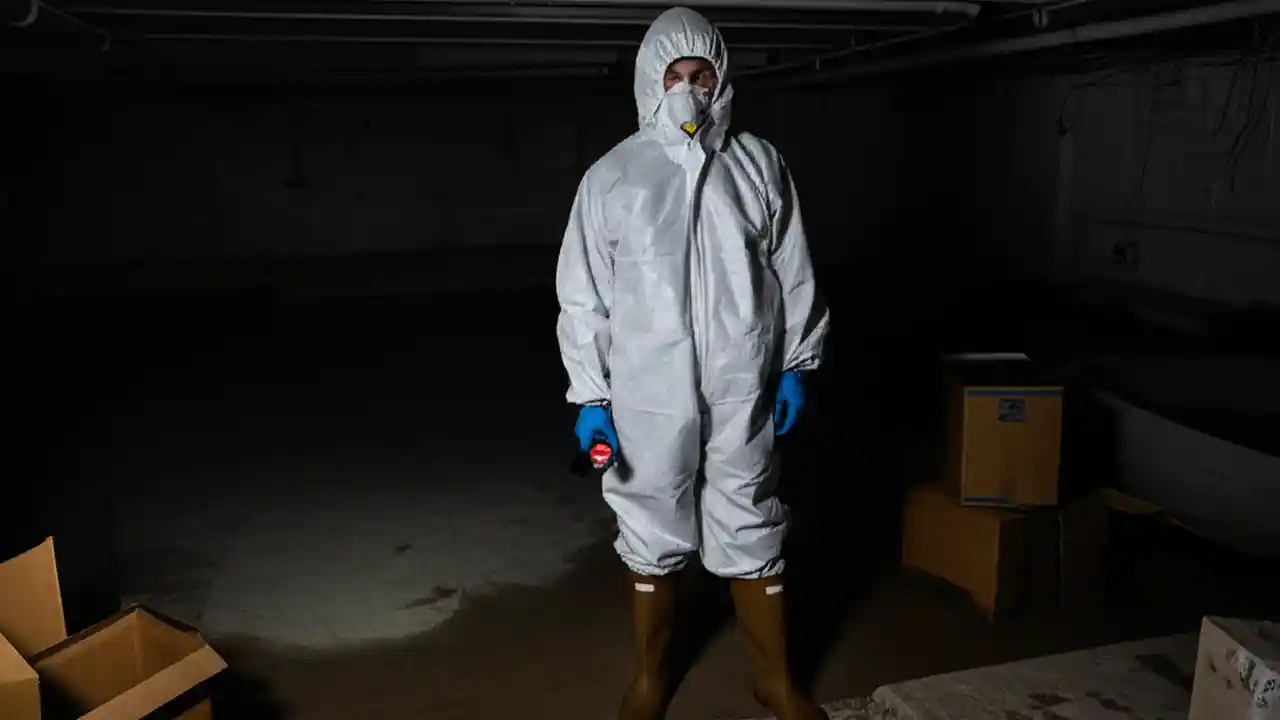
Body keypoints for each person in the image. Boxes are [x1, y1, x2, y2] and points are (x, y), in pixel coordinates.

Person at [555, 6, 831, 720]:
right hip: (648, 393)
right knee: (650, 521)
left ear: (723, 80)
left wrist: (797, 362)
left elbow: (792, 268)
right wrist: (591, 395)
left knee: (751, 514)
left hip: (742, 381)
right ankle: (652, 676)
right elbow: (583, 298)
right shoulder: (613, 176)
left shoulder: (758, 164)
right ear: (651, 81)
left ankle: (773, 679)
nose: (688, 91)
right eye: (674, 76)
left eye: (702, 76)